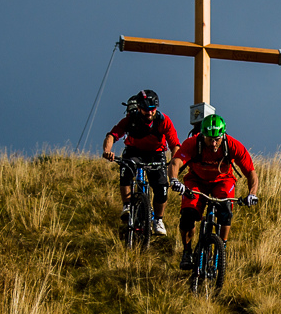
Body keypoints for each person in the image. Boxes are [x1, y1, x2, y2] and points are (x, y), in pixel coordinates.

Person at [168, 113, 259, 269]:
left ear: (223, 135)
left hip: (223, 181)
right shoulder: (192, 143)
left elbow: (251, 172)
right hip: (196, 181)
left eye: (217, 139)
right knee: (188, 215)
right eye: (210, 139)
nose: (214, 143)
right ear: (203, 135)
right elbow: (176, 162)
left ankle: (221, 248)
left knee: (226, 211)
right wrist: (174, 180)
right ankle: (187, 252)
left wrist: (252, 194)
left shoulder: (232, 145)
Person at [102, 89, 182, 236]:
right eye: (146, 110)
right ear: (139, 108)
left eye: (152, 109)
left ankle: (158, 220)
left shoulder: (163, 121)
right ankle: (127, 205)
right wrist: (108, 150)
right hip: (134, 151)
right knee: (126, 170)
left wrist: (174, 160)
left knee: (161, 187)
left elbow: (174, 144)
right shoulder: (130, 120)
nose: (149, 113)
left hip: (156, 154)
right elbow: (112, 135)